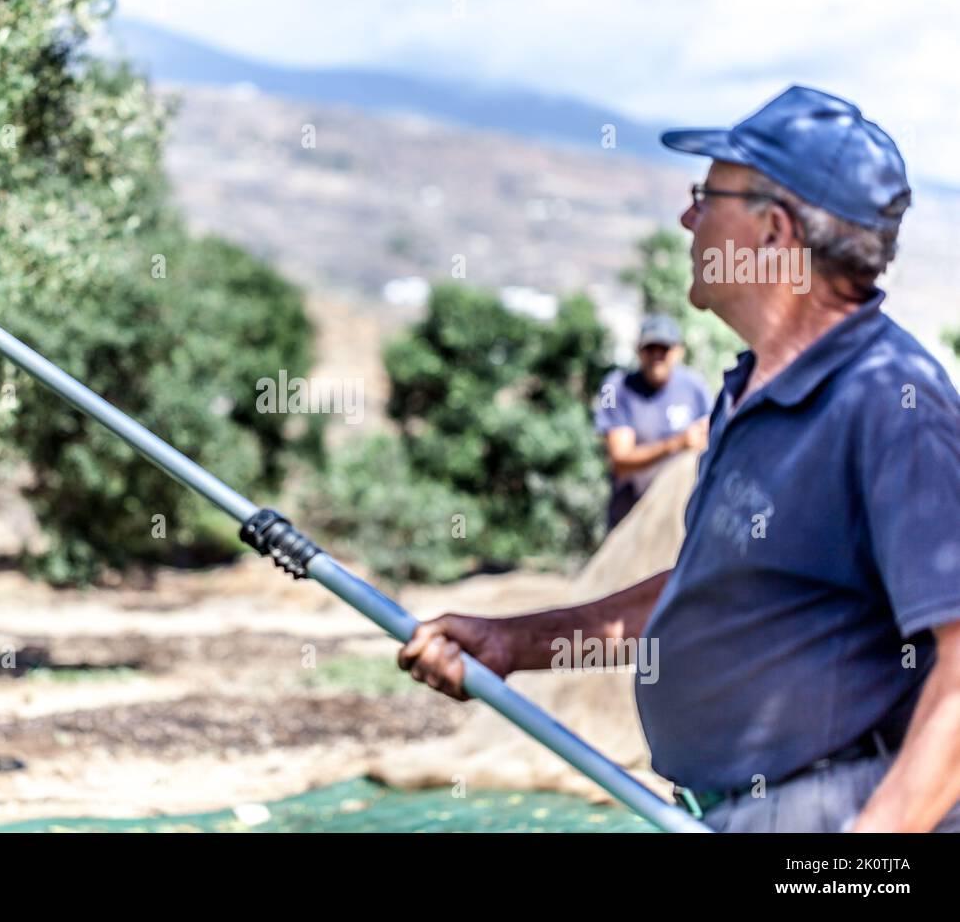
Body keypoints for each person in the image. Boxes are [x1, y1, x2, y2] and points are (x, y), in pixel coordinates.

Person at [399, 85, 960, 832]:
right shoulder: (746, 392)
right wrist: (514, 643)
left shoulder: (891, 404)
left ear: (773, 231)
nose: (687, 218)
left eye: (708, 196)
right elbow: (707, 592)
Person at [594, 314, 712, 529]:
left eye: (664, 349)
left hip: (678, 517)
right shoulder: (615, 388)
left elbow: (711, 443)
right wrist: (676, 444)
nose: (657, 356)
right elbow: (620, 459)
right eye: (650, 348)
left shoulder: (696, 388)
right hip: (631, 519)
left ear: (678, 352)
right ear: (638, 350)